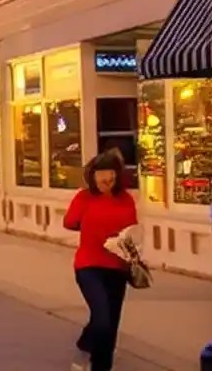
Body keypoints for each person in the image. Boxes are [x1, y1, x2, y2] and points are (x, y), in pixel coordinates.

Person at [64, 148, 137, 371]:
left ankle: (101, 366)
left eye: (111, 174)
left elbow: (131, 231)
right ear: (93, 176)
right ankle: (85, 346)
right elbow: (69, 222)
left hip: (117, 266)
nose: (107, 179)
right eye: (102, 175)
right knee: (102, 317)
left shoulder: (125, 199)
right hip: (89, 265)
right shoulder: (84, 197)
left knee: (111, 323)